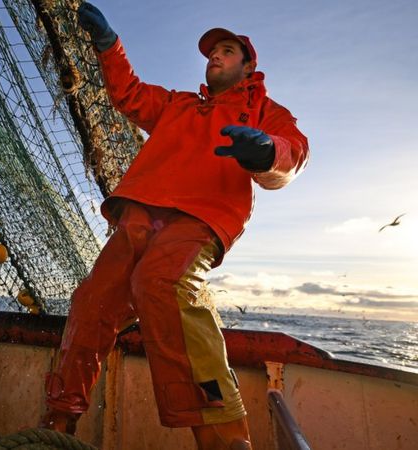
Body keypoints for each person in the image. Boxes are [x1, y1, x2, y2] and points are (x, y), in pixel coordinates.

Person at [39, 3, 309, 450]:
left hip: (199, 220)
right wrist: (110, 45)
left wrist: (267, 153)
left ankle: (224, 435)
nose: (215, 57)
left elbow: (293, 152)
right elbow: (128, 93)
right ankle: (57, 423)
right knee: (91, 302)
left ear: (248, 64)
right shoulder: (179, 104)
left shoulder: (266, 110)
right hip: (138, 217)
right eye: (211, 53)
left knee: (161, 282)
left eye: (226, 50)